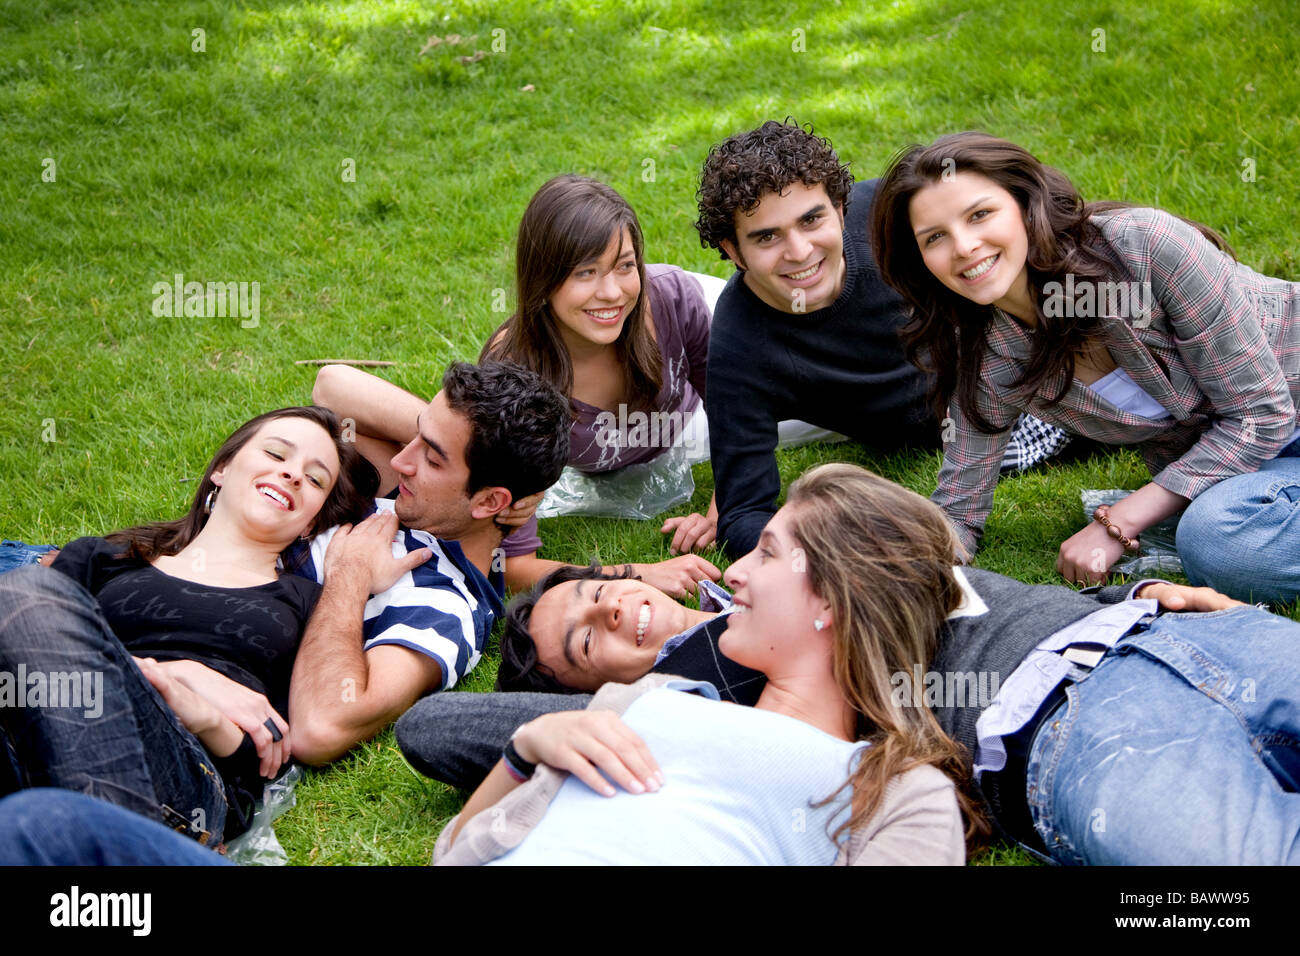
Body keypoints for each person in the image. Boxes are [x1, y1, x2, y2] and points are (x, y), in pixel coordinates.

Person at [432, 463, 979, 865]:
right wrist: (525, 752)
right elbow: (456, 852)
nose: (733, 571)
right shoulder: (636, 705)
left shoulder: (896, 794)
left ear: (833, 601)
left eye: (766, 553)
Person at [872, 131, 1300, 602]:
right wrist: (900, 572)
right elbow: (960, 506)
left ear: (1024, 204)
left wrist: (1119, 521)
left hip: (1282, 414)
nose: (964, 246)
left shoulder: (1144, 247)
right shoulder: (983, 346)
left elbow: (1262, 413)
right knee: (1218, 541)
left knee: (1213, 540)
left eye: (980, 214)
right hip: (1260, 469)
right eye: (935, 237)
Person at [312, 175, 723, 598]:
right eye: (586, 272)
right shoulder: (516, 368)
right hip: (640, 442)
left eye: (624, 265)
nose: (611, 292)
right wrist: (636, 573)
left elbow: (744, 414)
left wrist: (722, 507)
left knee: (792, 378)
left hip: (693, 412)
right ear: (543, 281)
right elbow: (513, 565)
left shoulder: (672, 300)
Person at [0, 406, 377, 846]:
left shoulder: (305, 605)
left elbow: (263, 748)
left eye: (315, 480)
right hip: (35, 743)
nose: (293, 474)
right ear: (221, 468)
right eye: (276, 454)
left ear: (310, 522)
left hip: (177, 778)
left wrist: (189, 702)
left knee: (26, 592)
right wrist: (178, 675)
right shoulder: (105, 560)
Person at [695, 120, 1070, 559]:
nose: (799, 251)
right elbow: (742, 513)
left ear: (839, 207)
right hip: (957, 434)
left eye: (811, 219)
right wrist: (816, 564)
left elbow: (1017, 223)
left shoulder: (890, 219)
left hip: (1027, 364)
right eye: (767, 237)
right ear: (734, 250)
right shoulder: (740, 344)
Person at [286, 360, 571, 764]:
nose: (403, 460)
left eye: (433, 459)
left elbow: (321, 728)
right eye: (416, 434)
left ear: (490, 501)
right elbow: (331, 385)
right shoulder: (410, 497)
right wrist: (445, 434)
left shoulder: (445, 610)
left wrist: (349, 575)